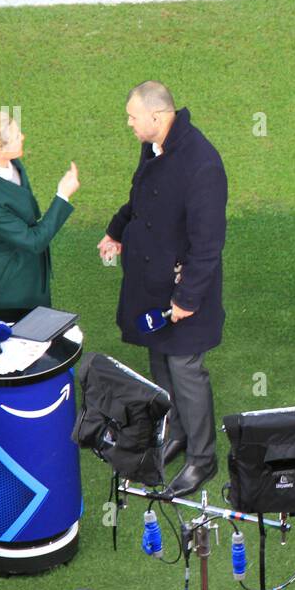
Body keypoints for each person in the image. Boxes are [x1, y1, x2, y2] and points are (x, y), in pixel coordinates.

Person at [98, 81, 227, 496]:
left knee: (186, 370)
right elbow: (141, 197)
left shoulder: (202, 165)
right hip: (151, 284)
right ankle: (179, 434)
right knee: (160, 362)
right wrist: (117, 230)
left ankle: (202, 459)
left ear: (157, 116)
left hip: (181, 290)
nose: (129, 124)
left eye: (133, 117)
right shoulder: (155, 146)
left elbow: (208, 244)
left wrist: (187, 298)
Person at [0, 110, 78, 314]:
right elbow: (33, 240)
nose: (22, 137)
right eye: (15, 136)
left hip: (28, 272)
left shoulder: (12, 164)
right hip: (6, 288)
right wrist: (62, 196)